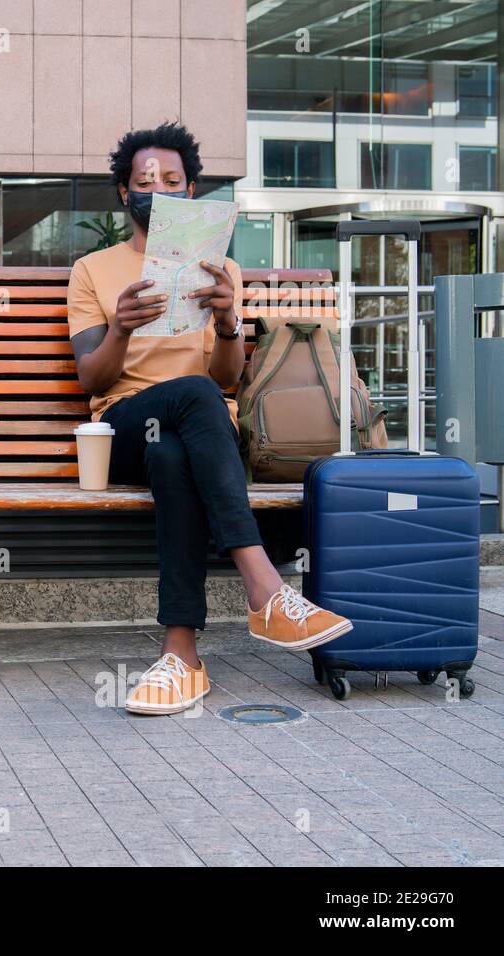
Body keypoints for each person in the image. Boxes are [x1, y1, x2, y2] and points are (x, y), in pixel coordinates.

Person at [67, 122, 353, 715]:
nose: (157, 188)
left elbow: (228, 379)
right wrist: (120, 326)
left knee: (179, 447)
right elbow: (92, 380)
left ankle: (183, 658)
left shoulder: (217, 269)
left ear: (190, 192)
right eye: (144, 180)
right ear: (125, 192)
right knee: (189, 398)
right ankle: (264, 588)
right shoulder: (93, 271)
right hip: (124, 426)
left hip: (194, 438)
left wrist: (228, 321)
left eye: (171, 180)